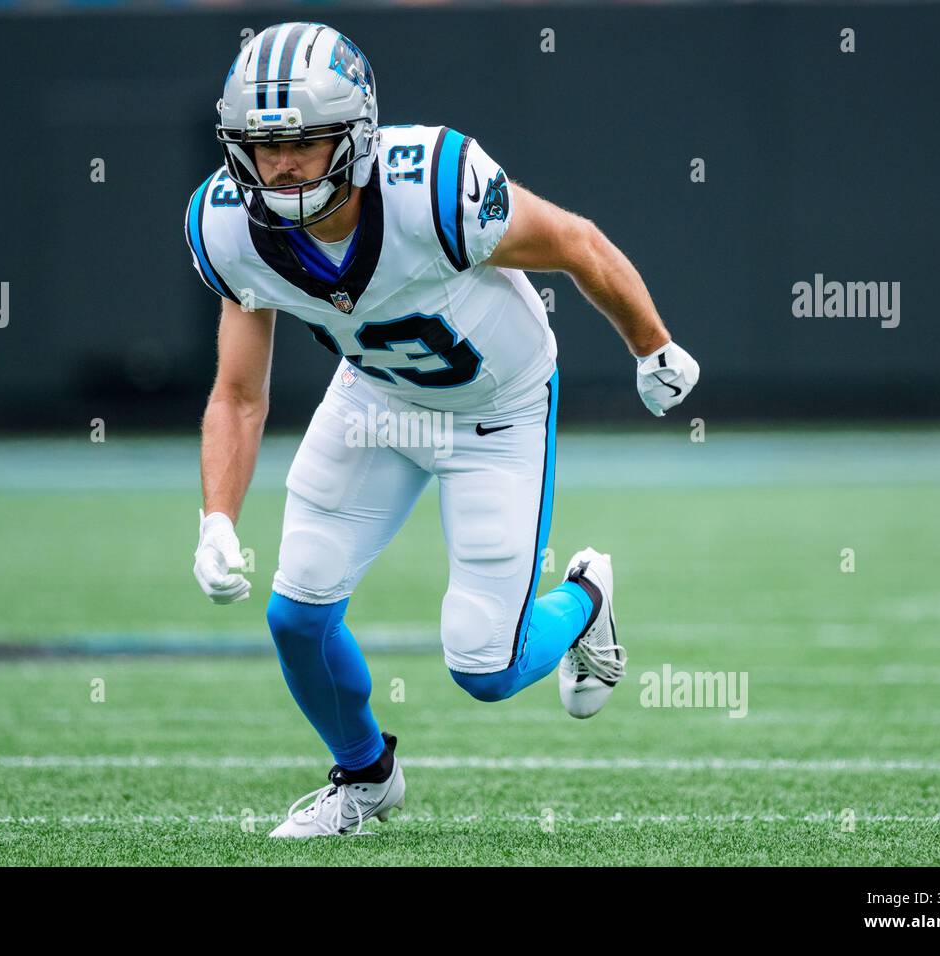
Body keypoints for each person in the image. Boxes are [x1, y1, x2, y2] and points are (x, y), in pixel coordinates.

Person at [185, 21, 700, 838]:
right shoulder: (229, 229)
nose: (279, 167)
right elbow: (239, 394)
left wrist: (653, 346)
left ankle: (588, 595)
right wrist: (217, 519)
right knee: (296, 617)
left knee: (484, 667)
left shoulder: (433, 187)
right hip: (376, 402)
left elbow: (576, 243)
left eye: (303, 143)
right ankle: (365, 778)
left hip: (497, 410)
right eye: (262, 146)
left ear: (355, 135)